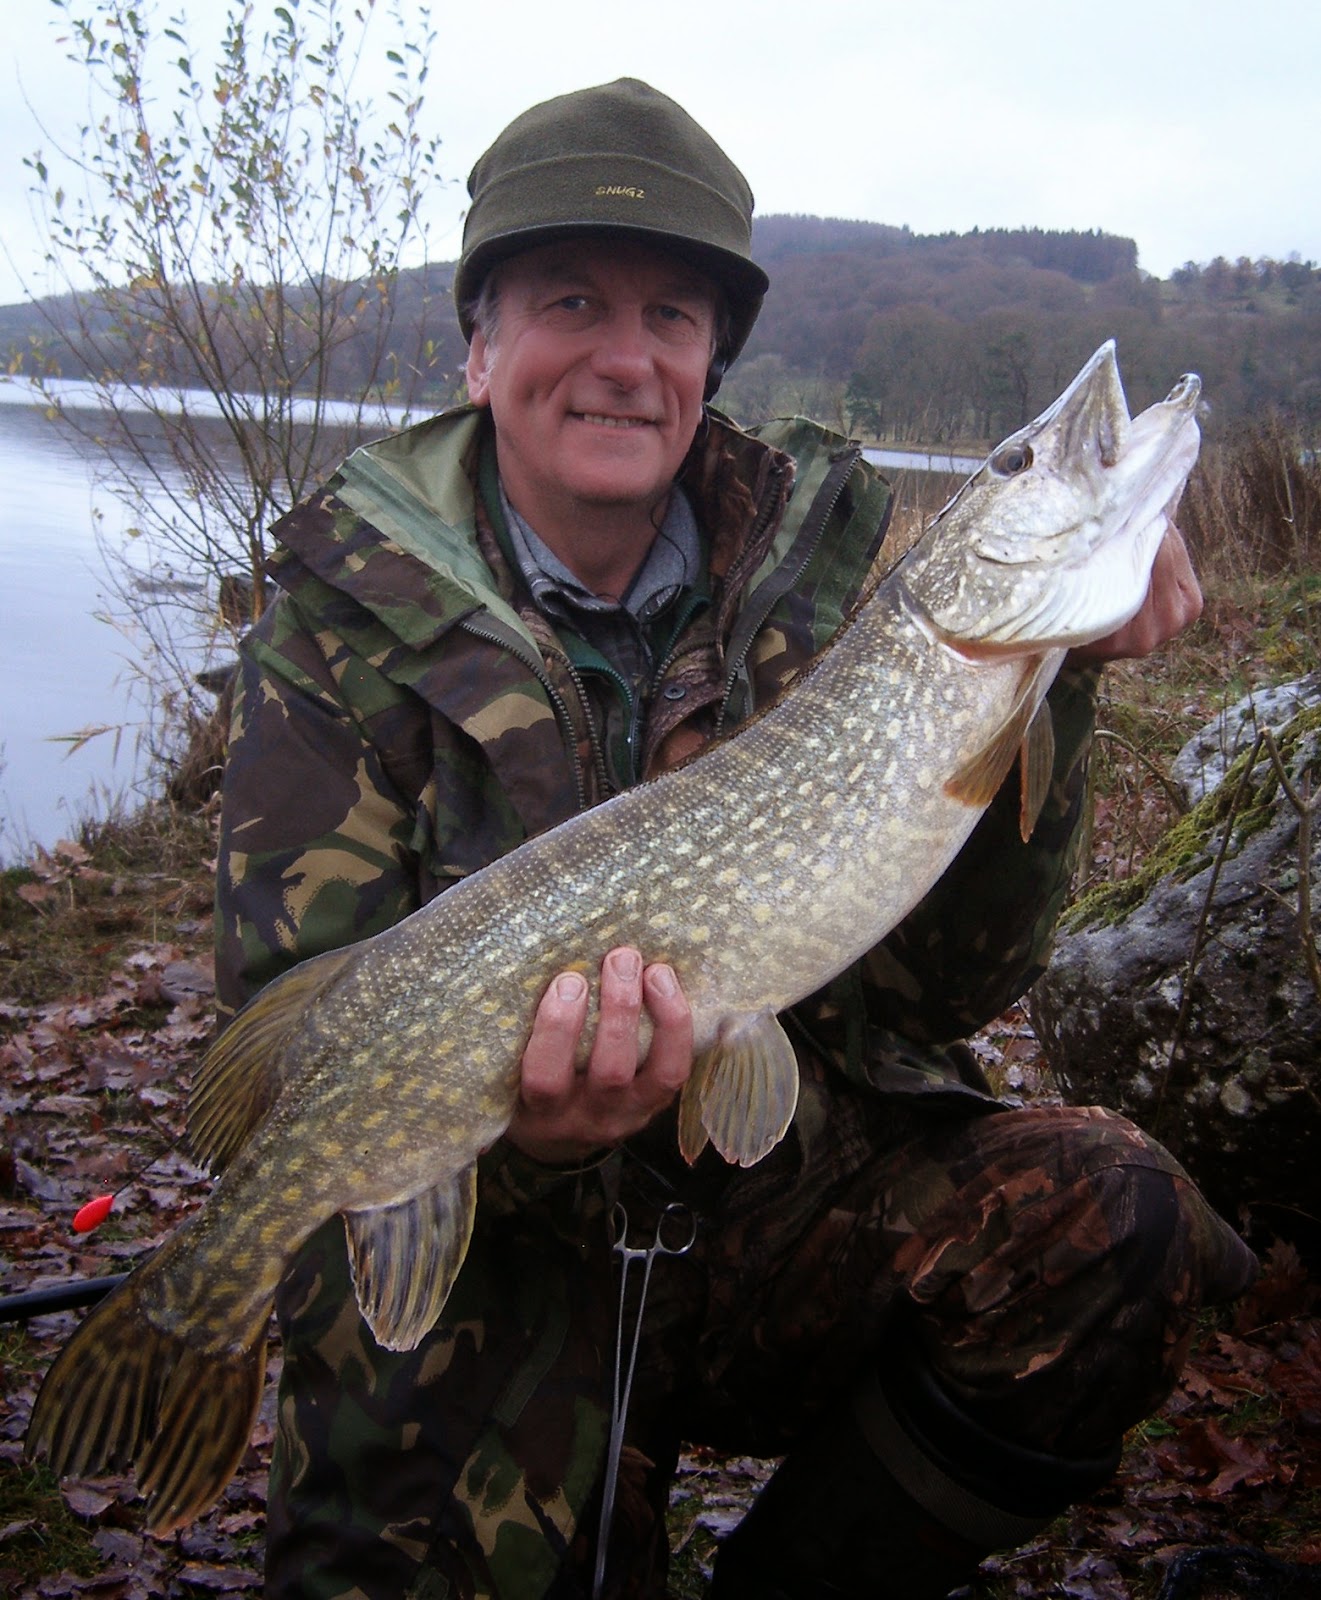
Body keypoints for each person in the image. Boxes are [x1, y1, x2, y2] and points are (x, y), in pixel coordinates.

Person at [214, 78, 1256, 1600]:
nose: (627, 359)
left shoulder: (827, 583)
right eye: (572, 299)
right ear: (479, 338)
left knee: (1110, 1219)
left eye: (676, 316)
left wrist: (1064, 692)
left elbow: (944, 987)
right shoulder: (333, 627)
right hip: (479, 1244)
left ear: (712, 358)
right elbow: (291, 1040)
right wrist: (532, 1134)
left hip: (760, 1209)